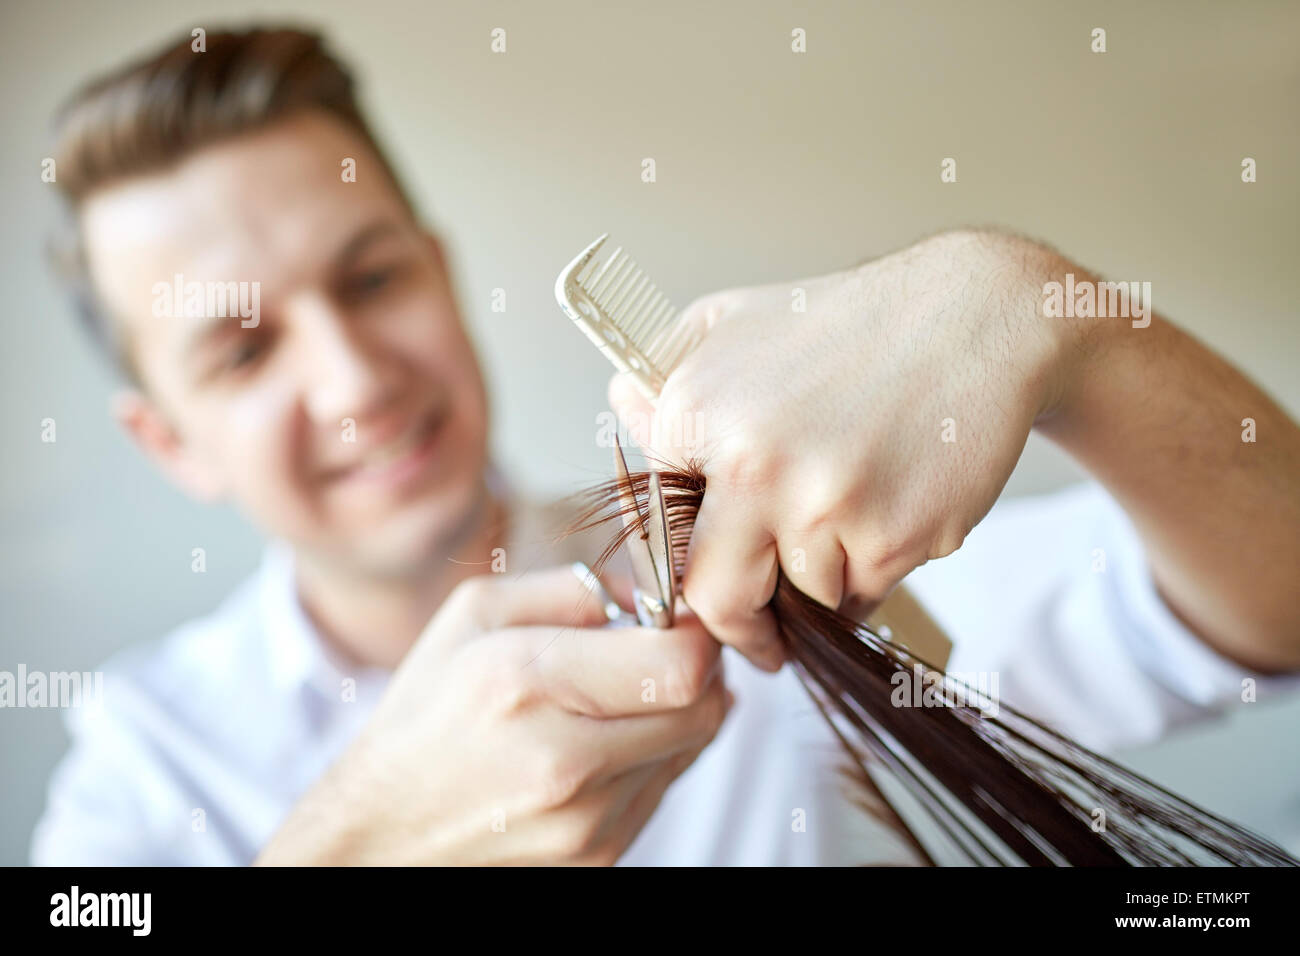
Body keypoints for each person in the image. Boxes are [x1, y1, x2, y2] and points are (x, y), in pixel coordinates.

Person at [31, 27, 1299, 866]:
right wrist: (359, 843)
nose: (354, 376)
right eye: (243, 353)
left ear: (442, 273)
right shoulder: (144, 764)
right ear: (170, 442)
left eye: (369, 280)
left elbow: (1274, 604)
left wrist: (1052, 319)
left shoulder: (750, 559)